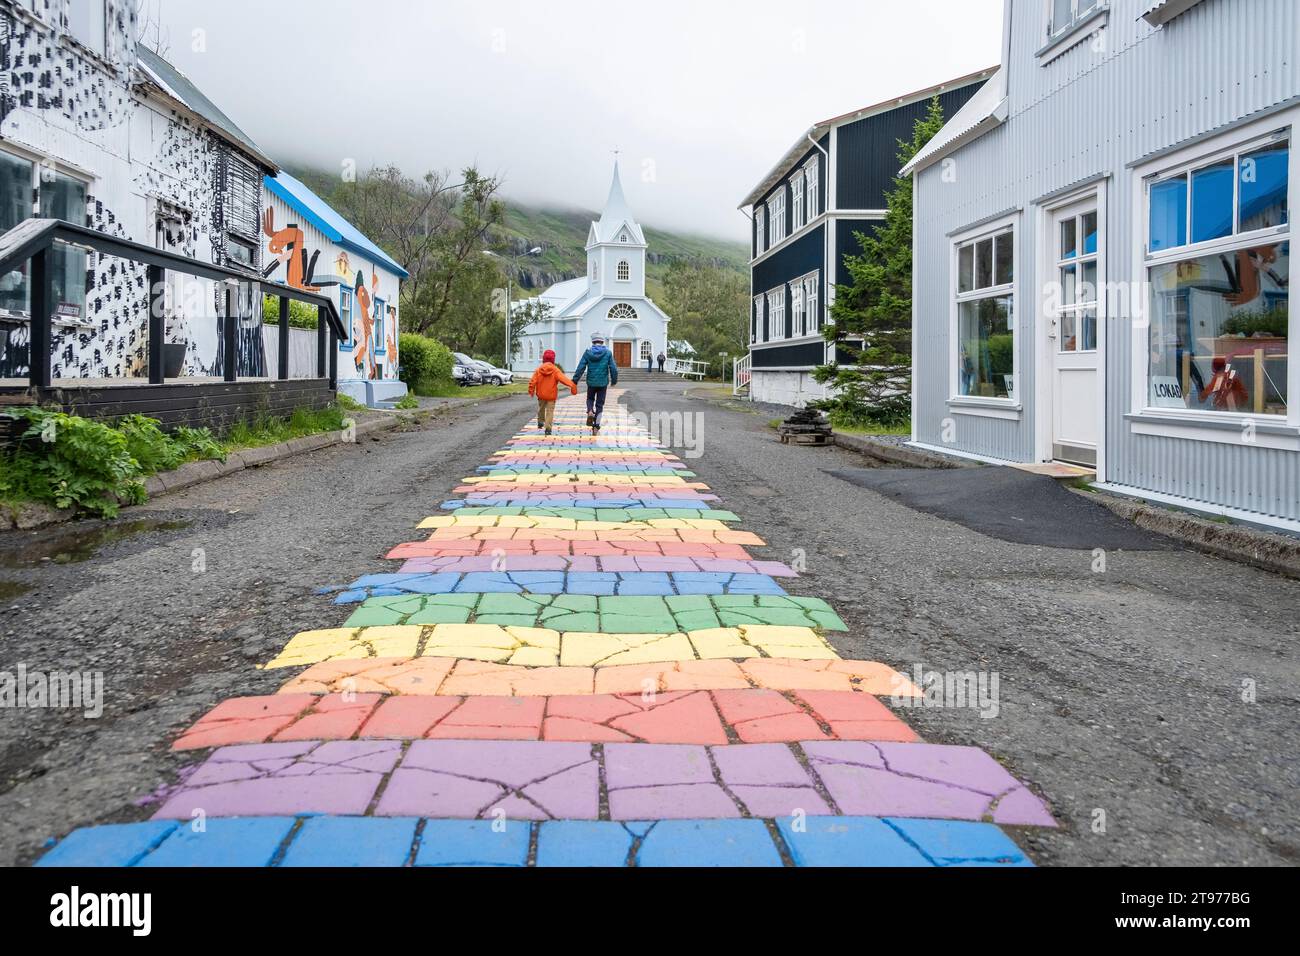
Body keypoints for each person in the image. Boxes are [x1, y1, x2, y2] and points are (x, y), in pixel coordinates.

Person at [573, 332, 619, 433]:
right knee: (600, 404)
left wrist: (575, 380)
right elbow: (613, 368)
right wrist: (614, 380)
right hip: (603, 383)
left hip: (591, 382)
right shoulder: (608, 353)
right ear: (602, 342)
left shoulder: (588, 353)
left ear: (593, 341)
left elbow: (581, 367)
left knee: (590, 398)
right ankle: (596, 425)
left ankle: (590, 411)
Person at [527, 348, 577, 435]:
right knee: (550, 411)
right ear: (553, 359)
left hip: (541, 395)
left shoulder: (538, 370)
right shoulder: (555, 370)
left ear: (543, 359)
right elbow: (563, 379)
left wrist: (531, 390)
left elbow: (533, 381)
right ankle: (548, 428)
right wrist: (572, 385)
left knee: (541, 408)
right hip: (551, 396)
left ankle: (540, 421)